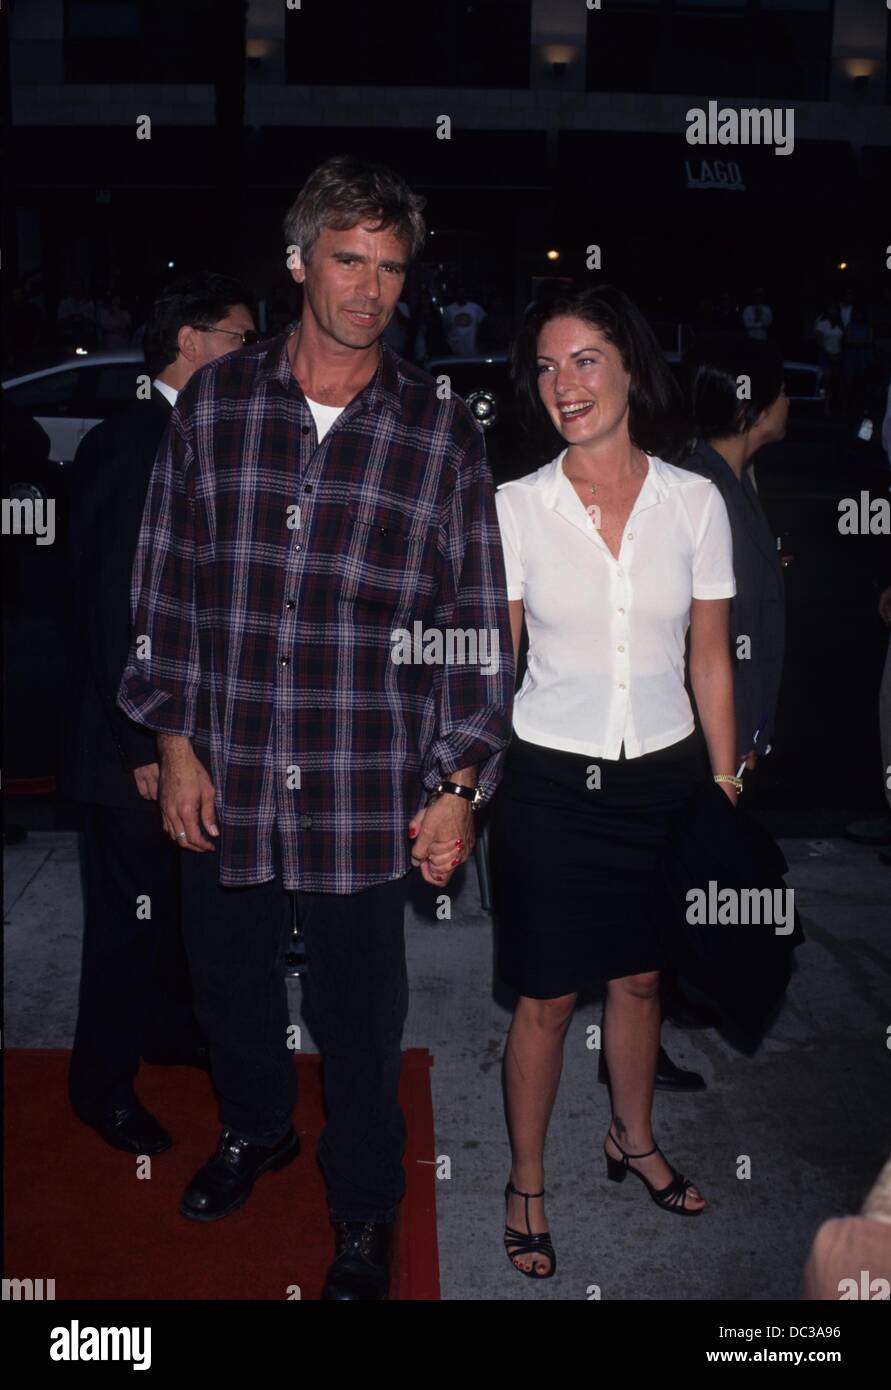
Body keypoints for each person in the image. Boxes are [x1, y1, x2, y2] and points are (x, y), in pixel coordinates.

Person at [117, 156, 515, 1300]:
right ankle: (254, 1128)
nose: (371, 288)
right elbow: (166, 582)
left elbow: (472, 618)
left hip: (361, 774)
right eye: (349, 259)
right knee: (228, 982)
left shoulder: (437, 428)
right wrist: (175, 740)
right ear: (299, 262)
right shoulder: (217, 402)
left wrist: (457, 780)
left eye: (392, 268)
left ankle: (364, 1209)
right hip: (228, 759)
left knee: (358, 1013)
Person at [488, 285, 738, 1279]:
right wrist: (459, 786)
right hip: (549, 784)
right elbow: (488, 671)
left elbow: (712, 655)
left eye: (586, 359)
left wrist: (721, 782)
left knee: (642, 979)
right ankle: (524, 1179)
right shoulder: (513, 508)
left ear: (632, 369)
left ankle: (630, 1140)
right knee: (546, 999)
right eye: (547, 368)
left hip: (668, 779)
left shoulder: (696, 499)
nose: (566, 384)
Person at [59, 273, 258, 1155]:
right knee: (123, 923)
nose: (253, 355)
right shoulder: (132, 441)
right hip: (132, 745)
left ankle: (171, 1032)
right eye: (239, 338)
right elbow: (109, 605)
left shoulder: (198, 434)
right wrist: (144, 740)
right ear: (188, 340)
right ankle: (98, 1085)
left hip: (190, 735)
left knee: (179, 912)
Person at [681, 337, 788, 771]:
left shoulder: (737, 479)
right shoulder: (706, 490)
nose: (788, 400)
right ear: (753, 412)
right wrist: (738, 735)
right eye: (781, 391)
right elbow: (720, 632)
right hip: (718, 732)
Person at [442, 286, 485, 355]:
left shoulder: (476, 308)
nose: (461, 295)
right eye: (459, 293)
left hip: (473, 350)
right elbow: (445, 328)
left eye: (463, 293)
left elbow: (484, 326)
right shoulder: (448, 309)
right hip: (455, 350)